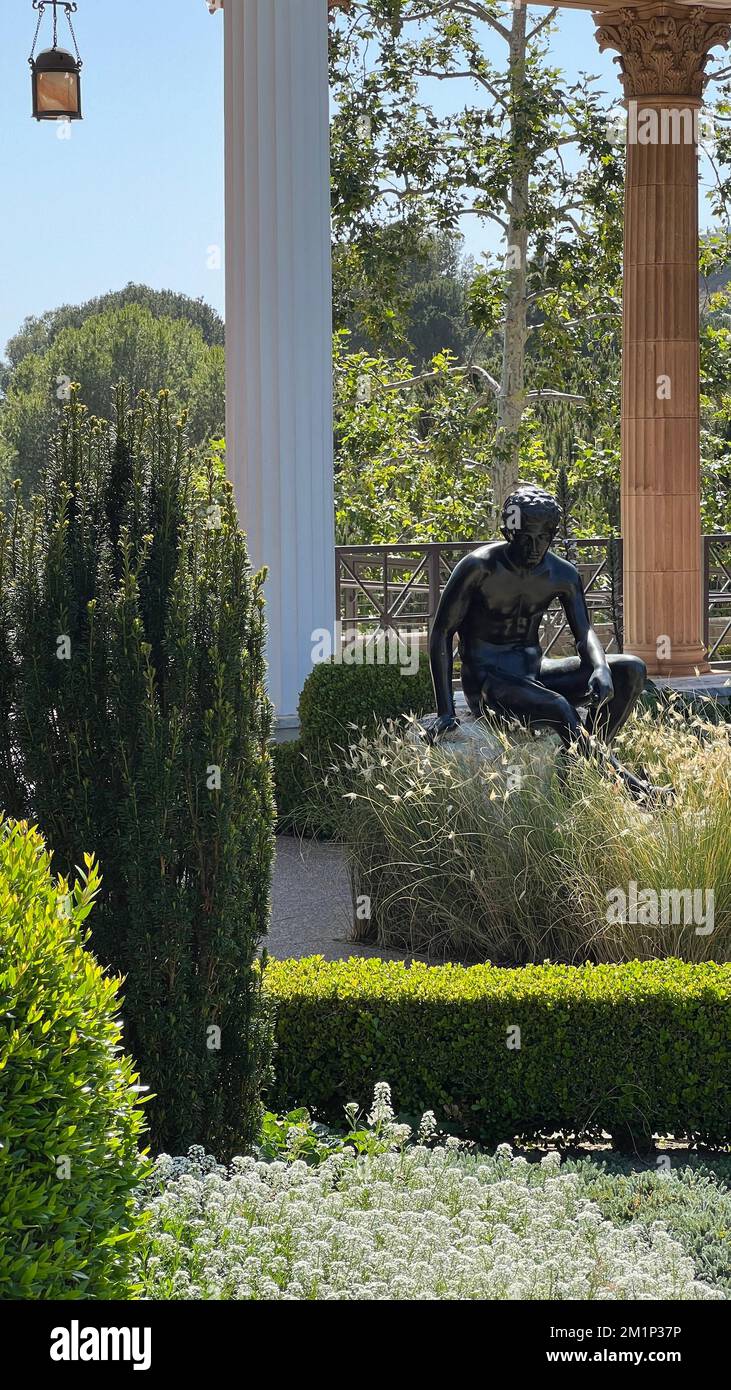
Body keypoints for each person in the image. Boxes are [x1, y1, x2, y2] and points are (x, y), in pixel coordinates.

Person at [428, 484, 663, 800]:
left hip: (534, 671)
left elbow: (585, 634)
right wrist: (446, 711)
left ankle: (575, 765)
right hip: (489, 683)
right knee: (557, 706)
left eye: (544, 538)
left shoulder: (561, 573)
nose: (534, 547)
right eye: (526, 537)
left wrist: (600, 667)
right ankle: (634, 790)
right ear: (509, 531)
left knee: (631, 669)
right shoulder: (479, 567)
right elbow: (441, 633)